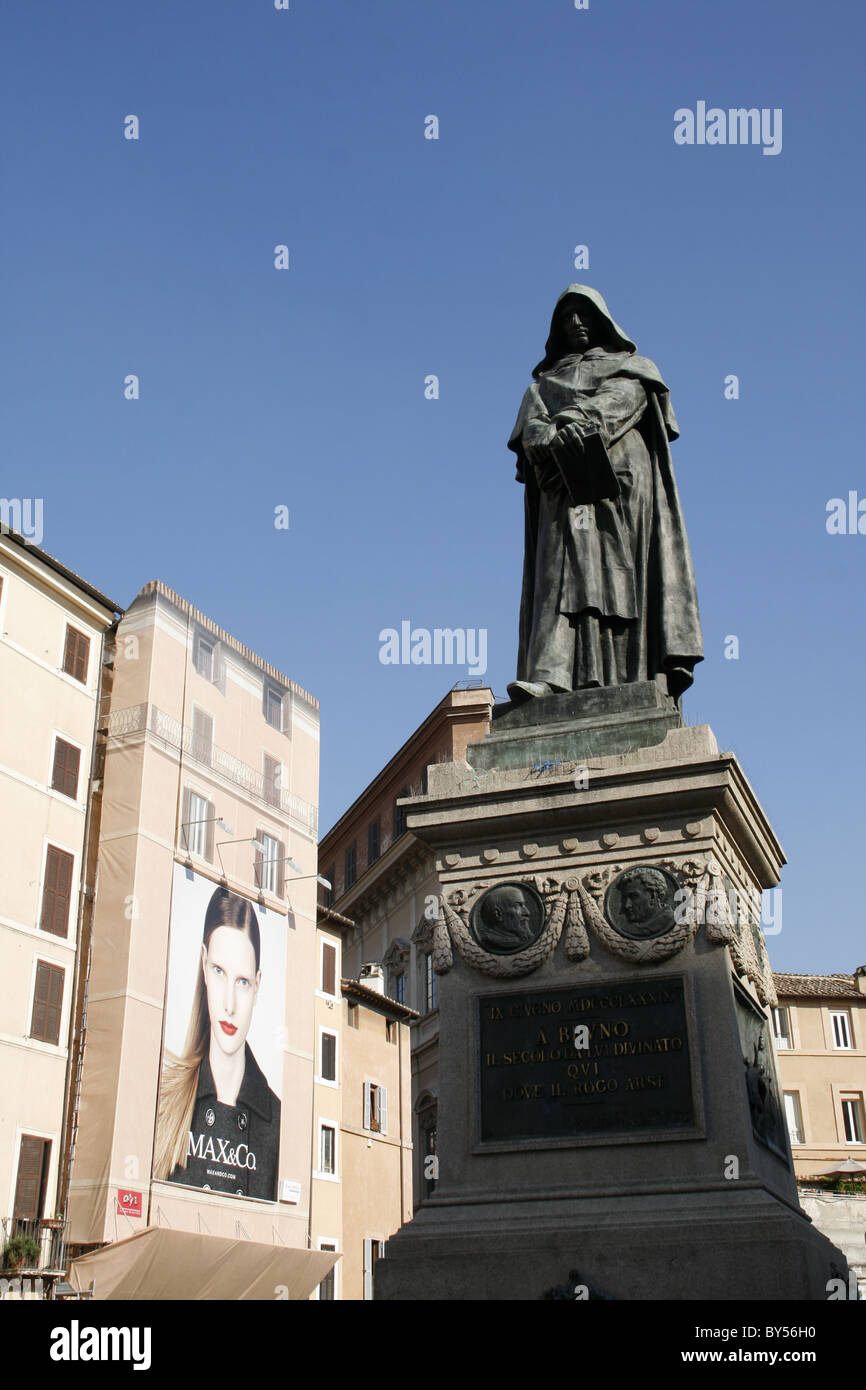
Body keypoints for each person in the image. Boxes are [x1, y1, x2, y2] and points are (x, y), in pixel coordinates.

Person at [507, 285, 703, 705]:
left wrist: (574, 420)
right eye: (567, 317)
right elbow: (531, 432)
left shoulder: (633, 370)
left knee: (618, 578)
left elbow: (621, 403)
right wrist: (551, 436)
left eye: (584, 314)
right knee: (559, 578)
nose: (576, 323)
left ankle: (631, 678)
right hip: (563, 490)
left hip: (621, 488)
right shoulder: (541, 387)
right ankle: (550, 676)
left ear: (602, 320)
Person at [155, 887, 281, 1200]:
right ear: (203, 963)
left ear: (258, 984)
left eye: (242, 982)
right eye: (219, 971)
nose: (229, 1004)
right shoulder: (164, 1100)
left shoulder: (277, 1122)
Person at [615, 866, 674, 940]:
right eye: (624, 899)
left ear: (652, 896)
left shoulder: (671, 920)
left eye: (633, 897)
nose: (627, 905)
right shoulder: (629, 929)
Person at [476, 884, 537, 952]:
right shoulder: (490, 941)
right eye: (518, 905)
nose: (527, 912)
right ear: (498, 914)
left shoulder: (521, 939)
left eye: (523, 905)